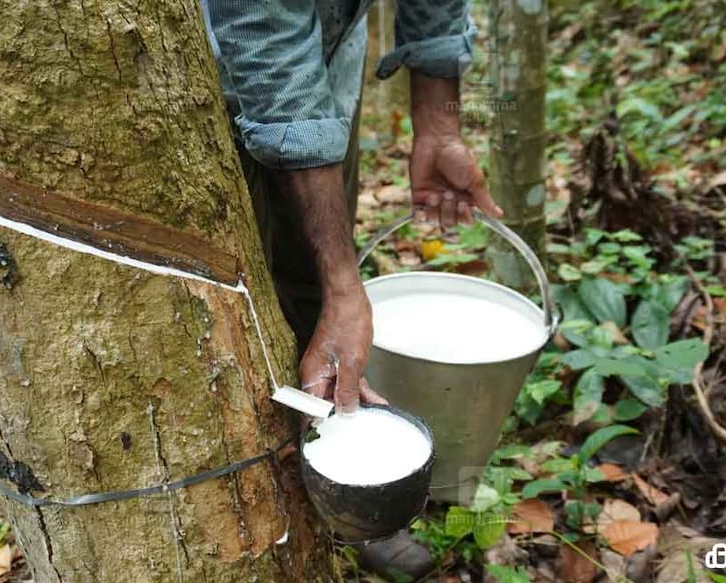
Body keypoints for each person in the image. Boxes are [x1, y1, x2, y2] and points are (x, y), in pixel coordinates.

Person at [202, 0, 504, 577]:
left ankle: (343, 502)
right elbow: (262, 31)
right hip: (216, 65)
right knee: (237, 299)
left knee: (314, 278)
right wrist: (346, 284)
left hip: (330, 44)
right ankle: (257, 507)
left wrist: (438, 126)